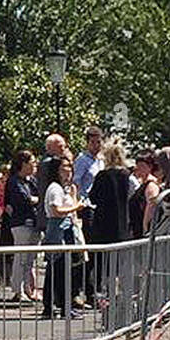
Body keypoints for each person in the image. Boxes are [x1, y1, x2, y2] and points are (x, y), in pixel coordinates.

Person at [41, 154, 86, 319]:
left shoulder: (66, 188)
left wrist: (74, 196)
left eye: (69, 167)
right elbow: (56, 210)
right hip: (57, 230)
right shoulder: (54, 188)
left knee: (64, 270)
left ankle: (63, 305)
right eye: (64, 168)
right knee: (55, 270)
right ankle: (51, 306)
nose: (68, 171)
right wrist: (76, 207)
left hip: (66, 230)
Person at [88, 139, 131, 302]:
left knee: (101, 261)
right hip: (121, 224)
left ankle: (100, 292)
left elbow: (93, 197)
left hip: (103, 224)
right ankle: (116, 292)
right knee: (117, 262)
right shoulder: (126, 175)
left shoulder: (102, 175)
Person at [72, 125, 104, 304]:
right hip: (86, 206)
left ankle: (94, 288)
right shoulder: (82, 160)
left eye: (99, 142)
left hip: (98, 206)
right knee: (88, 249)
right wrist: (77, 204)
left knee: (97, 250)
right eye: (93, 142)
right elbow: (76, 182)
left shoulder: (100, 161)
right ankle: (85, 288)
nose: (96, 145)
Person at [4, 149, 40, 302]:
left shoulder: (31, 181)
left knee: (30, 259)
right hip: (20, 223)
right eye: (32, 162)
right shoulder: (14, 181)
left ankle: (27, 288)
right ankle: (17, 290)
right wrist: (34, 200)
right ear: (23, 164)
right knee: (21, 257)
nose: (34, 165)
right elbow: (23, 200)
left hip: (34, 223)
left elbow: (38, 196)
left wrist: (35, 199)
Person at [36, 133, 68, 236]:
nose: (64, 149)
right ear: (49, 147)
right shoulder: (48, 163)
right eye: (60, 146)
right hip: (50, 212)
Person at [130, 151, 159, 235]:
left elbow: (151, 207)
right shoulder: (142, 183)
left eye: (142, 166)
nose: (138, 168)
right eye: (137, 165)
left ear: (150, 167)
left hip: (143, 230)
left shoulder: (151, 185)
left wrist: (145, 229)